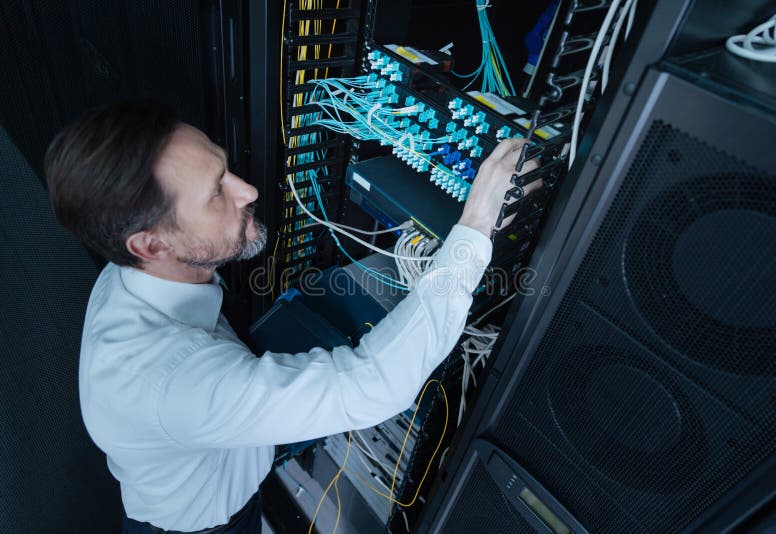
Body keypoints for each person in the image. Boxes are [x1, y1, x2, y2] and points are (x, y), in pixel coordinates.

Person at [44, 100, 538, 533]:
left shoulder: (128, 269)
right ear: (152, 244)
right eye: (217, 192)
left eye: (224, 168)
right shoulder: (168, 382)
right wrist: (475, 228)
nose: (248, 190)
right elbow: (374, 386)